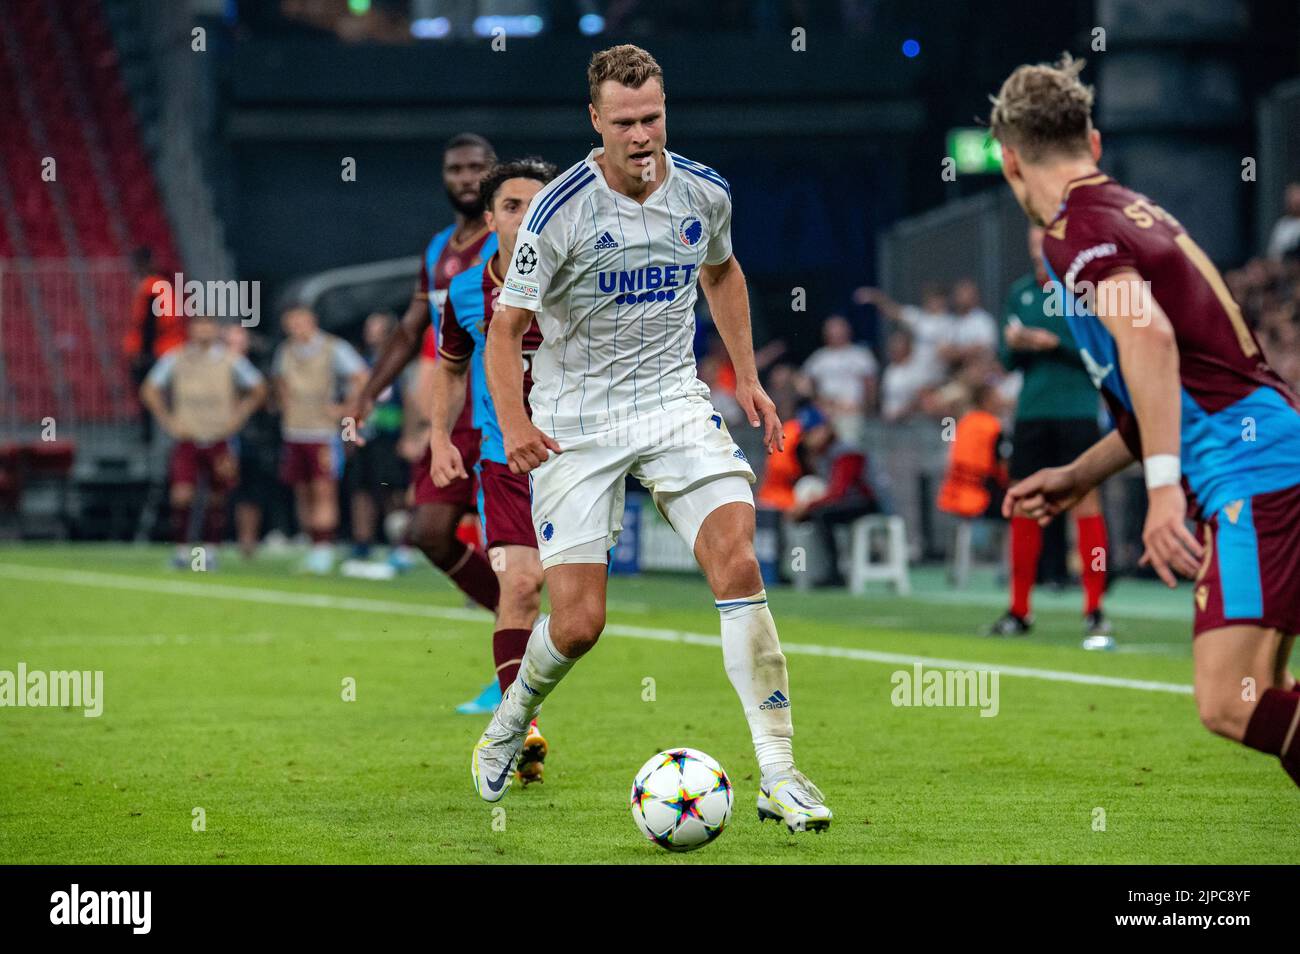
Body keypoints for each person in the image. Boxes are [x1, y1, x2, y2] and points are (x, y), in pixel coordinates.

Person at [472, 44, 832, 831]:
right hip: (577, 423)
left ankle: (779, 770)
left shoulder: (704, 192)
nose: (643, 136)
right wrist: (515, 424)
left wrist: (747, 376)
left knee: (737, 560)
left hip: (673, 404)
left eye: (654, 118)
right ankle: (510, 719)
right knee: (577, 625)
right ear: (595, 121)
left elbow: (724, 273)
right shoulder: (557, 210)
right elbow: (506, 333)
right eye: (626, 122)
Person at [992, 54, 1300, 788]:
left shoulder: (1076, 232)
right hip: (1269, 457)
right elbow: (1160, 389)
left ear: (1009, 164)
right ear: (1093, 143)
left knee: (1230, 700)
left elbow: (1151, 340)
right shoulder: (1131, 210)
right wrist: (1076, 475)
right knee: (1262, 692)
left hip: (1250, 474)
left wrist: (1164, 492)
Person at [344, 134, 505, 709]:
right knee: (429, 532)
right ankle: (523, 634)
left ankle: (511, 685)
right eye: (454, 168)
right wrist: (366, 393)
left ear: (493, 174)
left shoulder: (509, 239)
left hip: (507, 414)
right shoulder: (439, 247)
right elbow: (412, 331)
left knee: (506, 549)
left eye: (475, 167)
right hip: (452, 416)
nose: (464, 177)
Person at [430, 157, 559, 784]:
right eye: (512, 206)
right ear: (490, 218)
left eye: (538, 205)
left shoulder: (579, 280)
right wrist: (436, 436)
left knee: (581, 618)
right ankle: (518, 728)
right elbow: (450, 366)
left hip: (579, 459)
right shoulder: (462, 292)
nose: (525, 217)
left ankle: (518, 710)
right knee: (522, 583)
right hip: (502, 460)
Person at [988, 225, 1111, 639]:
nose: (1039, 251)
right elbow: (1006, 359)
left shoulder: (1082, 291)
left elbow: (1099, 354)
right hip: (1032, 413)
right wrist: (1018, 343)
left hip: (1077, 411)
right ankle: (1019, 609)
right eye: (1034, 243)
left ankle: (1094, 608)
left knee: (1085, 504)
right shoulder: (1020, 292)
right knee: (1022, 503)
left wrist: (1050, 344)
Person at [139, 314, 267, 569]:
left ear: (215, 330)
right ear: (191, 330)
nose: (203, 332)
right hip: (188, 437)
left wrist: (238, 416)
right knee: (182, 495)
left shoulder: (230, 360)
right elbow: (149, 390)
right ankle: (182, 550)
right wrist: (168, 420)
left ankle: (209, 552)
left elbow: (259, 388)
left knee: (217, 497)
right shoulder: (177, 357)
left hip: (219, 437)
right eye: (198, 327)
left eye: (208, 326)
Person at [272, 306, 368, 574]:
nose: (297, 327)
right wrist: (285, 404)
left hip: (322, 431)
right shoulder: (285, 351)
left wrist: (344, 408)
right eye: (292, 322)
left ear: (312, 321)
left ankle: (324, 549)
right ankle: (312, 543)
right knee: (302, 490)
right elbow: (279, 381)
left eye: (301, 321)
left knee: (323, 489)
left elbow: (361, 376)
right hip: (294, 429)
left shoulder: (332, 348)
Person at [342, 312, 410, 573]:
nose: (369, 331)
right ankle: (362, 543)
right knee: (360, 488)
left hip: (389, 434)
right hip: (364, 434)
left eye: (375, 327)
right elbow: (353, 400)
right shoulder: (361, 362)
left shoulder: (399, 360)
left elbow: (409, 399)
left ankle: (400, 545)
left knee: (391, 490)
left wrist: (408, 434)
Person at [787, 406, 880, 587]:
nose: (808, 440)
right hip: (851, 501)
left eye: (812, 433)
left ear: (825, 429)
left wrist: (808, 506)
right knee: (817, 515)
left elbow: (839, 493)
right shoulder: (822, 455)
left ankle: (834, 574)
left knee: (821, 515)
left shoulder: (846, 452)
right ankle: (811, 571)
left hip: (867, 502)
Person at [123, 247, 184, 443]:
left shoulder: (152, 287)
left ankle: (153, 436)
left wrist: (144, 353)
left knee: (151, 394)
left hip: (160, 350)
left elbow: (151, 322)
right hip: (167, 348)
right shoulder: (160, 285)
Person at [854, 283, 953, 383]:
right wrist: (875, 296)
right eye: (931, 298)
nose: (933, 302)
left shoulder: (949, 322)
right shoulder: (919, 317)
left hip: (937, 377)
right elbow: (893, 311)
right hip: (917, 375)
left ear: (943, 300)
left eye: (937, 298)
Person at [800, 314, 877, 442]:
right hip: (825, 414)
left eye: (838, 329)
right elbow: (804, 383)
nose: (835, 333)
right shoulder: (819, 357)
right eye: (831, 330)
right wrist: (818, 401)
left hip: (852, 413)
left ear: (847, 331)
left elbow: (870, 385)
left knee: (847, 448)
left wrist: (868, 408)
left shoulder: (861, 355)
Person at [1266, 182, 1300, 263]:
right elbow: (1273, 253)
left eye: (1296, 197)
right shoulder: (1282, 223)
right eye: (1290, 198)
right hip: (1280, 265)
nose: (1293, 202)